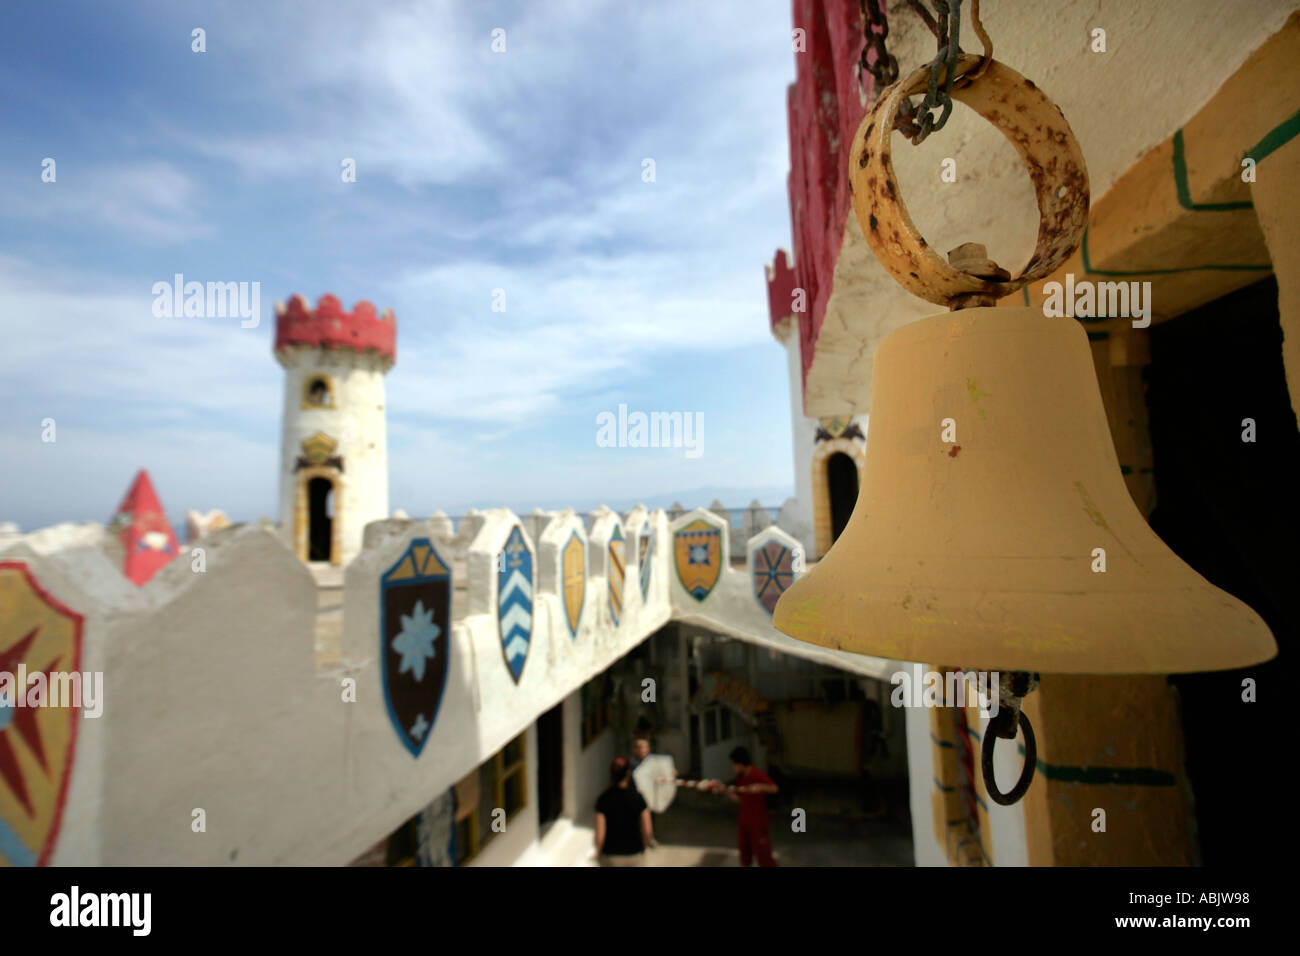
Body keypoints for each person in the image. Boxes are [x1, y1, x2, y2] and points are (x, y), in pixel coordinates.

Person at [708, 746, 779, 867]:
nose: (733, 767)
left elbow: (774, 788)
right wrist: (723, 790)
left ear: (740, 763)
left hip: (758, 823)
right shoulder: (740, 777)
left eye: (734, 764)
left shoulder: (756, 774)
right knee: (745, 857)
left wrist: (760, 787)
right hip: (744, 822)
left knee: (764, 857)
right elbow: (739, 799)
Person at [594, 757, 653, 866]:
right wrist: (643, 847)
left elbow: (600, 834)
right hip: (634, 854)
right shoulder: (638, 798)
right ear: (628, 774)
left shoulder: (603, 799)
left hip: (610, 856)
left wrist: (598, 853)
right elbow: (647, 829)